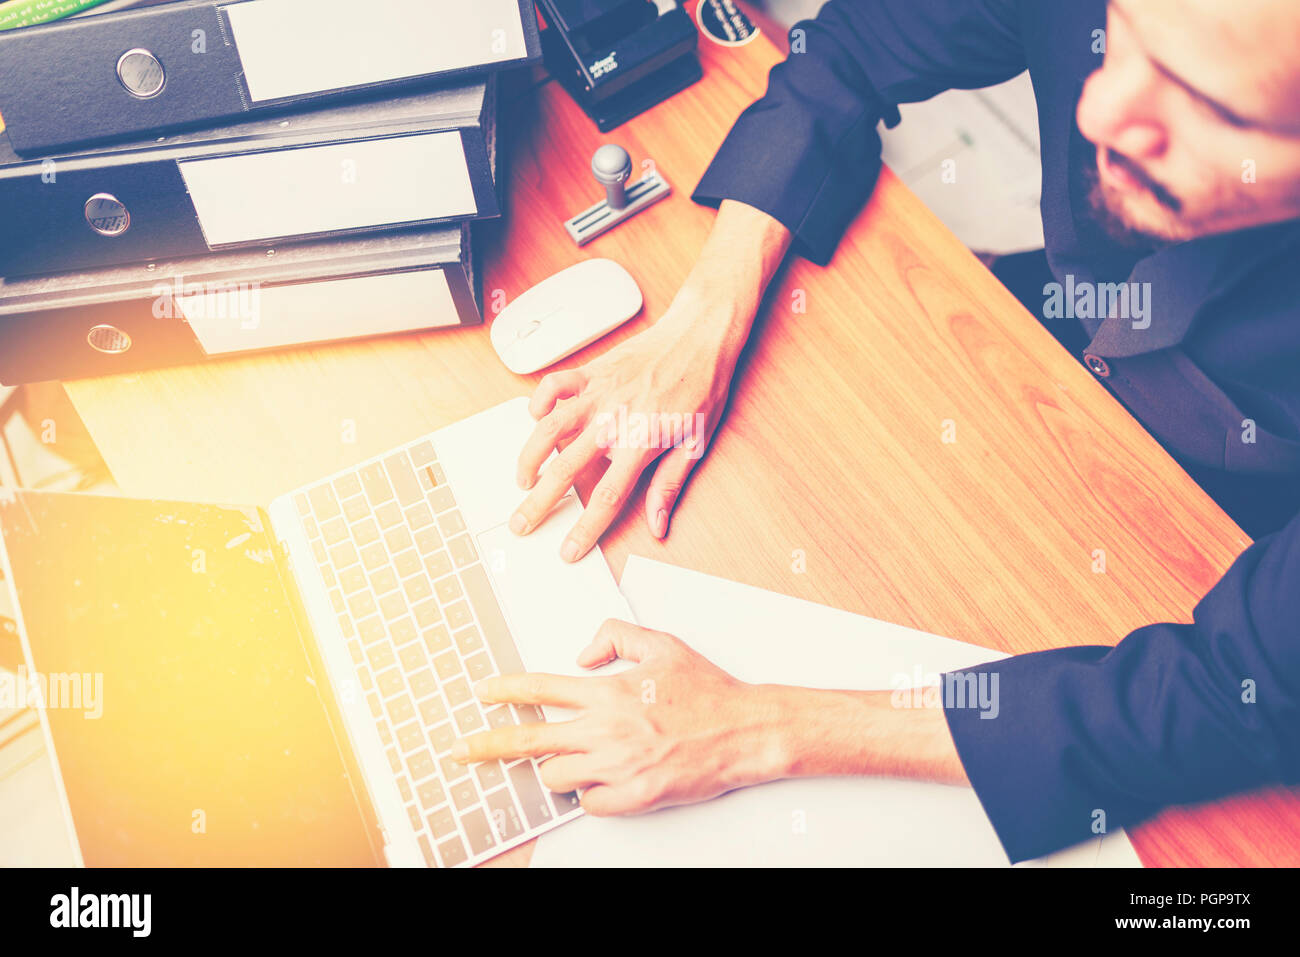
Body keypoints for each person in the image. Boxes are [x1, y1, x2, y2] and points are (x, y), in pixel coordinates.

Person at [452, 0, 1300, 862]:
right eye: (1126, 35)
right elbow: (852, 47)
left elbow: (1226, 695)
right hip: (1046, 353)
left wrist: (758, 727)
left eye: (1215, 110)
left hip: (1236, 526)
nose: (1099, 113)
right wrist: (704, 316)